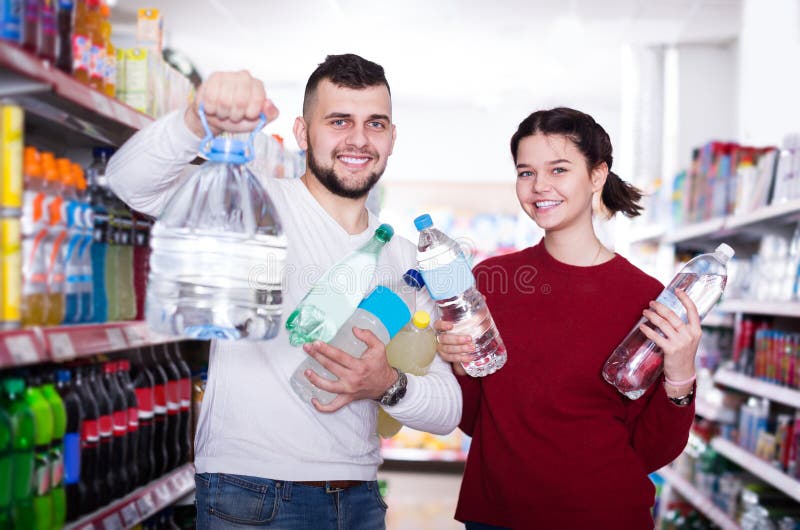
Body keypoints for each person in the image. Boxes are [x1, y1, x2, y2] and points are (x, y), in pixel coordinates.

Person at [107, 54, 462, 530]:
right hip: (251, 496)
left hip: (360, 499)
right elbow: (130, 184)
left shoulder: (406, 261)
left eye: (375, 124)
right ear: (302, 132)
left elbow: (447, 408)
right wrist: (196, 120)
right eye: (339, 121)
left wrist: (387, 384)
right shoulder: (251, 203)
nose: (359, 139)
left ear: (392, 138)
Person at [436, 107, 701, 529]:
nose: (539, 186)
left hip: (603, 516)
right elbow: (476, 421)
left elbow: (653, 451)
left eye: (558, 169)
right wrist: (458, 365)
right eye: (526, 172)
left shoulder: (646, 298)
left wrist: (681, 374)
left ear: (597, 175)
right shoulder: (491, 281)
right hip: (498, 514)